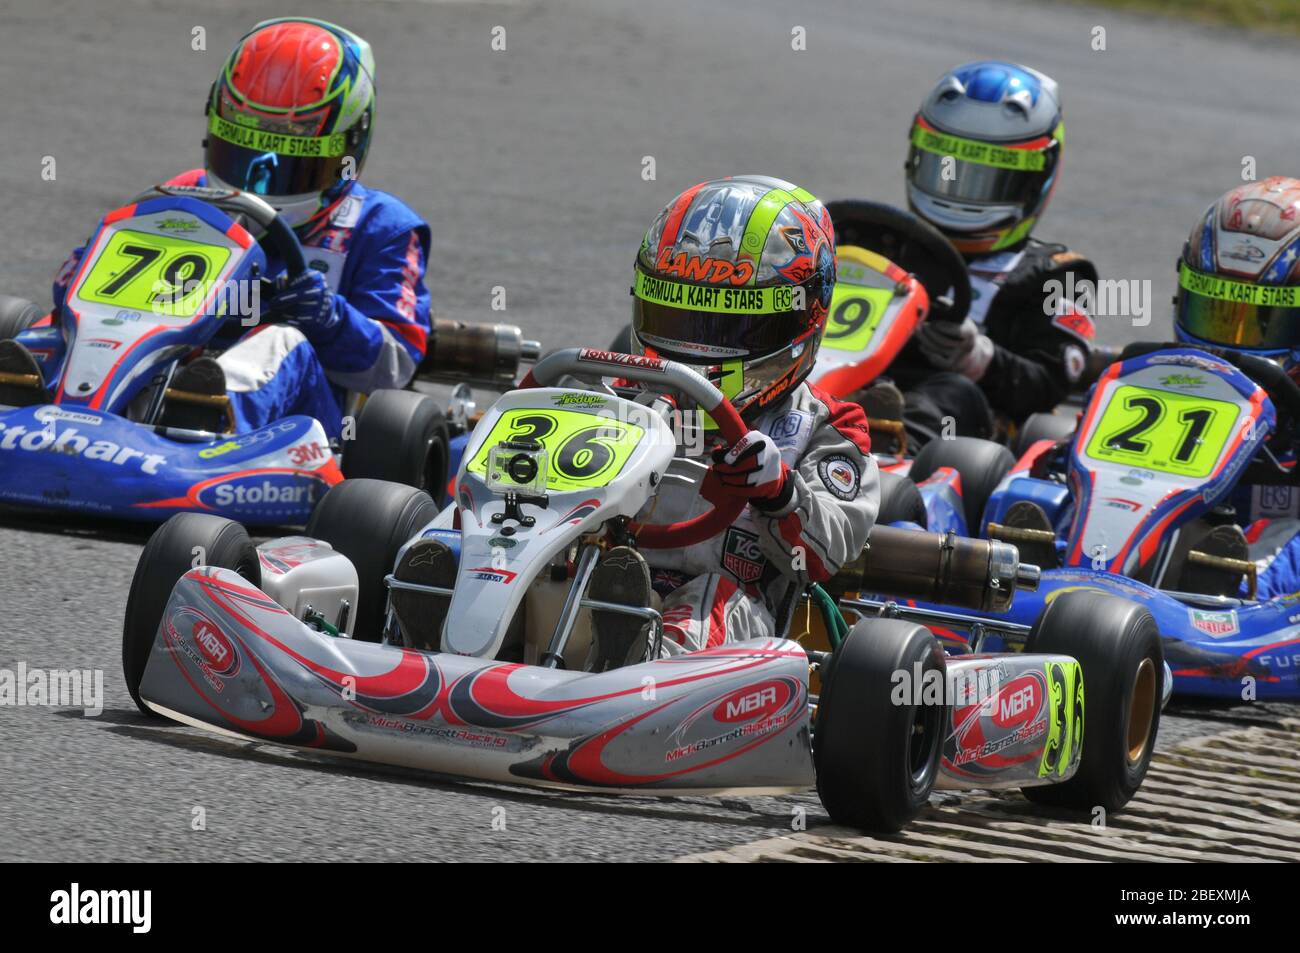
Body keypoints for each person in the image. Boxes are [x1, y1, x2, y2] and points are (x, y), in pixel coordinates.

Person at [391, 176, 879, 666]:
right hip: (582, 574)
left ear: (801, 318)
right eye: (679, 321)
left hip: (733, 621)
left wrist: (781, 493)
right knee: (498, 549)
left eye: (730, 326)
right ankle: (446, 624)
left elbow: (827, 555)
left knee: (712, 599)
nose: (695, 351)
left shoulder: (825, 426)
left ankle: (639, 661)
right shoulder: (610, 394)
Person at [49, 17, 430, 438]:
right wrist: (90, 270)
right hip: (166, 368)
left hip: (306, 426)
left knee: (281, 342)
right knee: (55, 333)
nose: (262, 176)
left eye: (291, 158)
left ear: (348, 146)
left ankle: (206, 427)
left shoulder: (382, 226)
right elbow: (78, 297)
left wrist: (330, 319)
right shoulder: (187, 193)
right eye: (243, 146)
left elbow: (396, 368)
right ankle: (31, 396)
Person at [882, 61, 1097, 446]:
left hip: (968, 433)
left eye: (986, 177)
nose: (960, 191)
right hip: (855, 384)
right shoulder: (879, 242)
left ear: (1035, 178)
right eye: (946, 167)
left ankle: (886, 445)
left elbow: (1048, 385)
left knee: (948, 393)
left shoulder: (1055, 276)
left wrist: (977, 357)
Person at [1169, 177, 1300, 598]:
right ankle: (1040, 551)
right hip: (1171, 518)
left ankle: (1239, 590)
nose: (1227, 347)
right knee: (1046, 463)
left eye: (1260, 322)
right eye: (1215, 311)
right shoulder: (1169, 387)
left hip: (1271, 541)